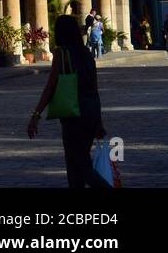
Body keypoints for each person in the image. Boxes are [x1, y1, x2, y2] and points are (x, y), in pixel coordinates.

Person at [27, 14, 111, 189]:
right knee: (78, 161)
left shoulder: (61, 54)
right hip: (91, 110)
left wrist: (36, 115)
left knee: (78, 164)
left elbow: (51, 86)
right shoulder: (87, 54)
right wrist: (99, 121)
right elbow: (95, 89)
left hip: (73, 113)